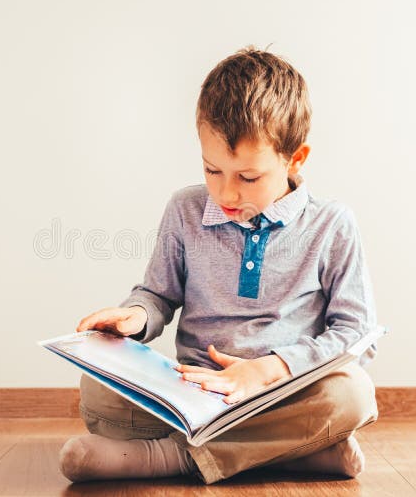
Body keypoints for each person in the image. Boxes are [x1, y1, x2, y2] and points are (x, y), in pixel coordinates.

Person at [58, 45, 380, 485]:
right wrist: (134, 318)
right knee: (97, 393)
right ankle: (295, 452)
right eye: (213, 171)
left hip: (280, 393)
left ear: (295, 159)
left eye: (248, 177)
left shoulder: (331, 224)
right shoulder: (185, 210)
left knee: (353, 394)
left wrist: (267, 370)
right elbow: (158, 295)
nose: (227, 195)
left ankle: (174, 458)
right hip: (194, 389)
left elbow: (356, 335)